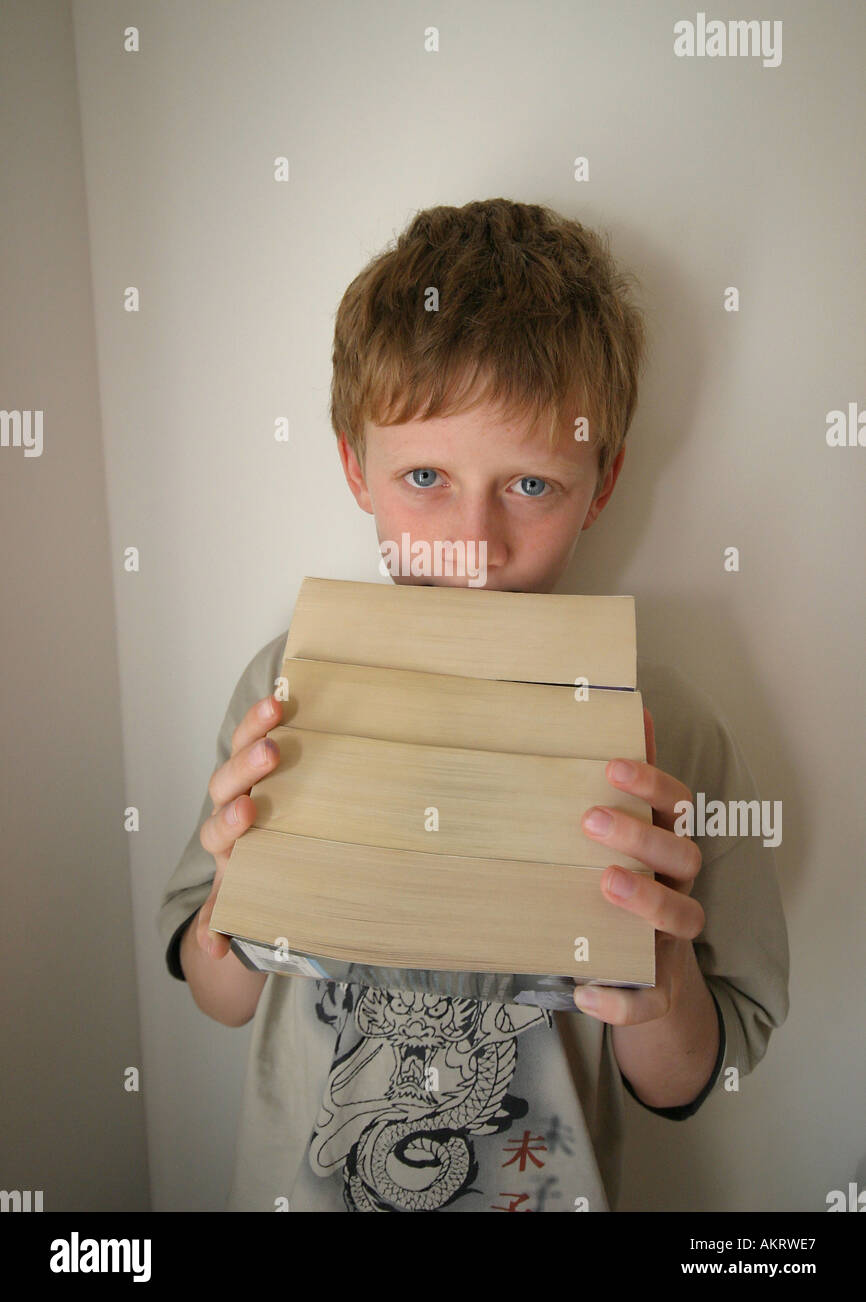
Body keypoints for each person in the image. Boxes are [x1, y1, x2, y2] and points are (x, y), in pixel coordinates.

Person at [157, 198, 789, 1212]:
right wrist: (233, 896)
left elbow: (685, 1079)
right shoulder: (288, 680)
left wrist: (659, 986)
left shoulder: (660, 726)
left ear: (601, 480)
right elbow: (221, 998)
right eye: (423, 476)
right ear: (355, 469)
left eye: (530, 485)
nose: (473, 543)